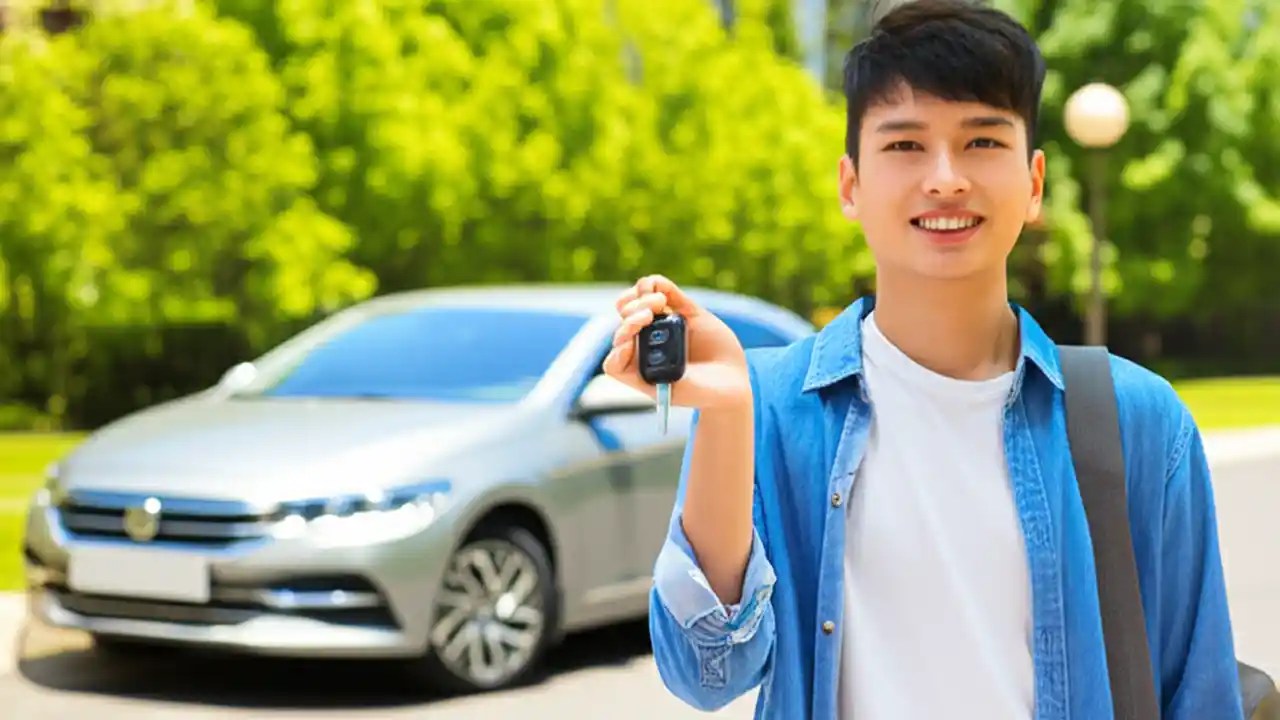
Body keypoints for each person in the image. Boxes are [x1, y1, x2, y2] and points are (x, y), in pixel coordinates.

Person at [601, 0, 1244, 718]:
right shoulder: (771, 406)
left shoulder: (1138, 421)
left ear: (1033, 183)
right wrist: (724, 416)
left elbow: (1203, 695)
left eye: (981, 142)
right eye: (905, 145)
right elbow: (706, 673)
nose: (944, 178)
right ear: (851, 184)